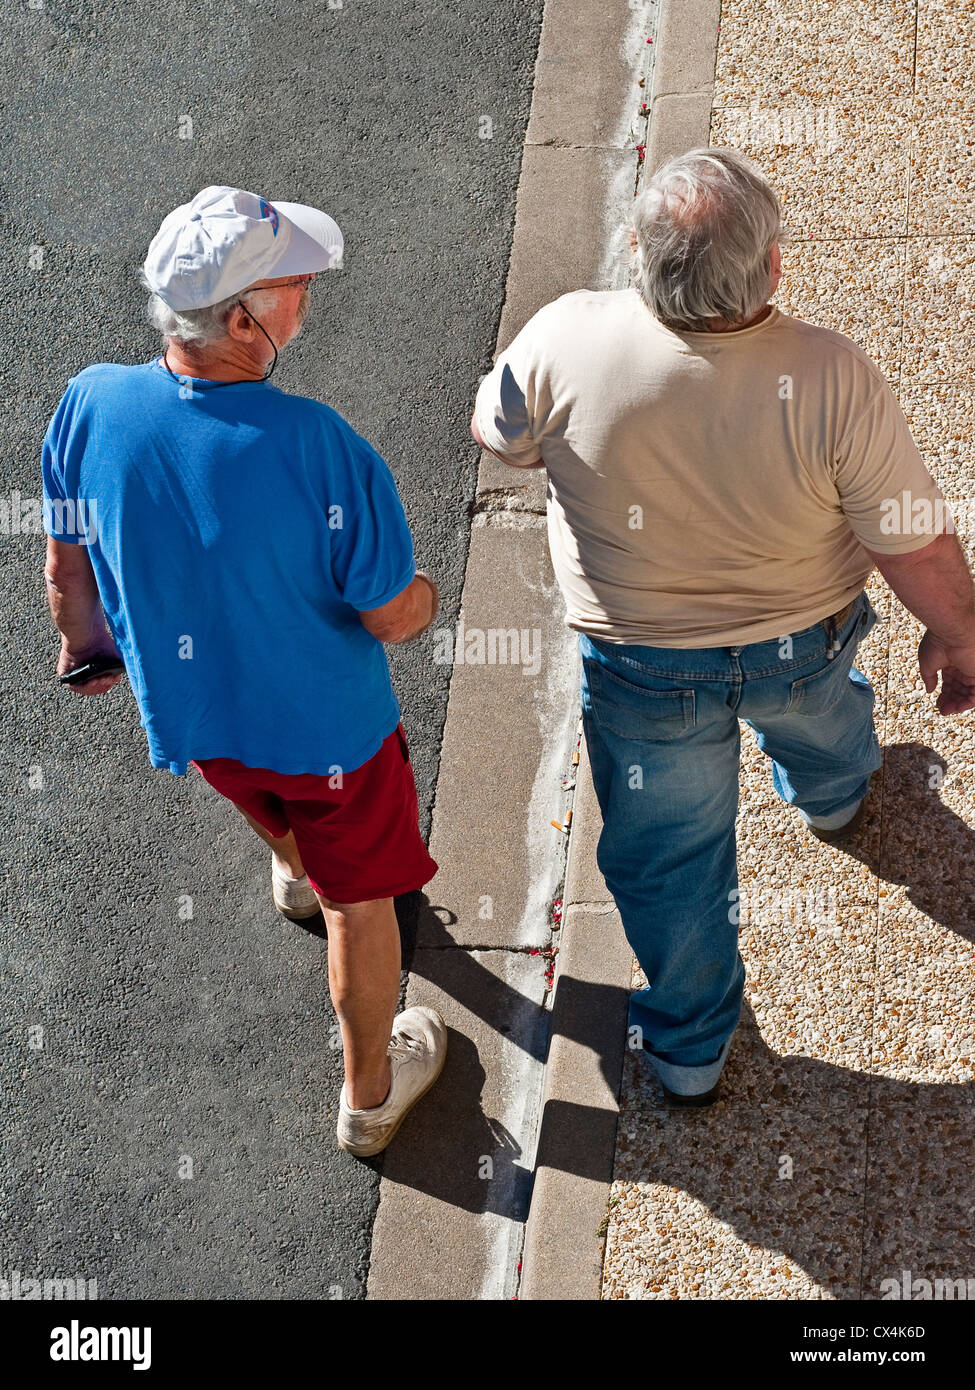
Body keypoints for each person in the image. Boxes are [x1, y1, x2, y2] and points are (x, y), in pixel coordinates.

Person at [471, 147, 975, 1105]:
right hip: (802, 641)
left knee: (670, 858)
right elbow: (910, 540)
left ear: (635, 253)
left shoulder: (565, 335)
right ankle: (831, 801)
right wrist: (959, 633)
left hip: (640, 665)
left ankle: (691, 1049)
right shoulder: (832, 375)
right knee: (825, 720)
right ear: (774, 267)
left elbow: (497, 436)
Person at [42, 185, 447, 1155]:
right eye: (292, 285)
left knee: (265, 805)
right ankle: (372, 1091)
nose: (307, 295)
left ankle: (292, 870)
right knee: (365, 907)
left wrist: (86, 646)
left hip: (195, 718)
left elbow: (68, 566)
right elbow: (392, 618)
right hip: (332, 741)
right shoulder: (323, 449)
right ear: (240, 321)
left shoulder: (90, 403)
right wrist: (427, 597)